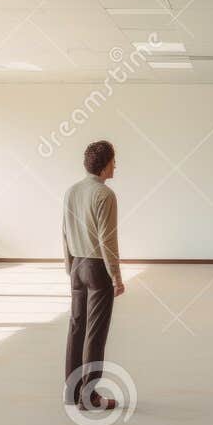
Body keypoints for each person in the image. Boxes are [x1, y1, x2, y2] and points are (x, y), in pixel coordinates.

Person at [62, 140, 125, 410]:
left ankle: (71, 392)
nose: (116, 165)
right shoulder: (104, 195)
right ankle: (90, 396)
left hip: (76, 265)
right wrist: (117, 277)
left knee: (77, 327)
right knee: (95, 334)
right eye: (113, 160)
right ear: (104, 165)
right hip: (97, 268)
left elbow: (64, 231)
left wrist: (69, 266)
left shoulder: (72, 191)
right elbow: (106, 240)